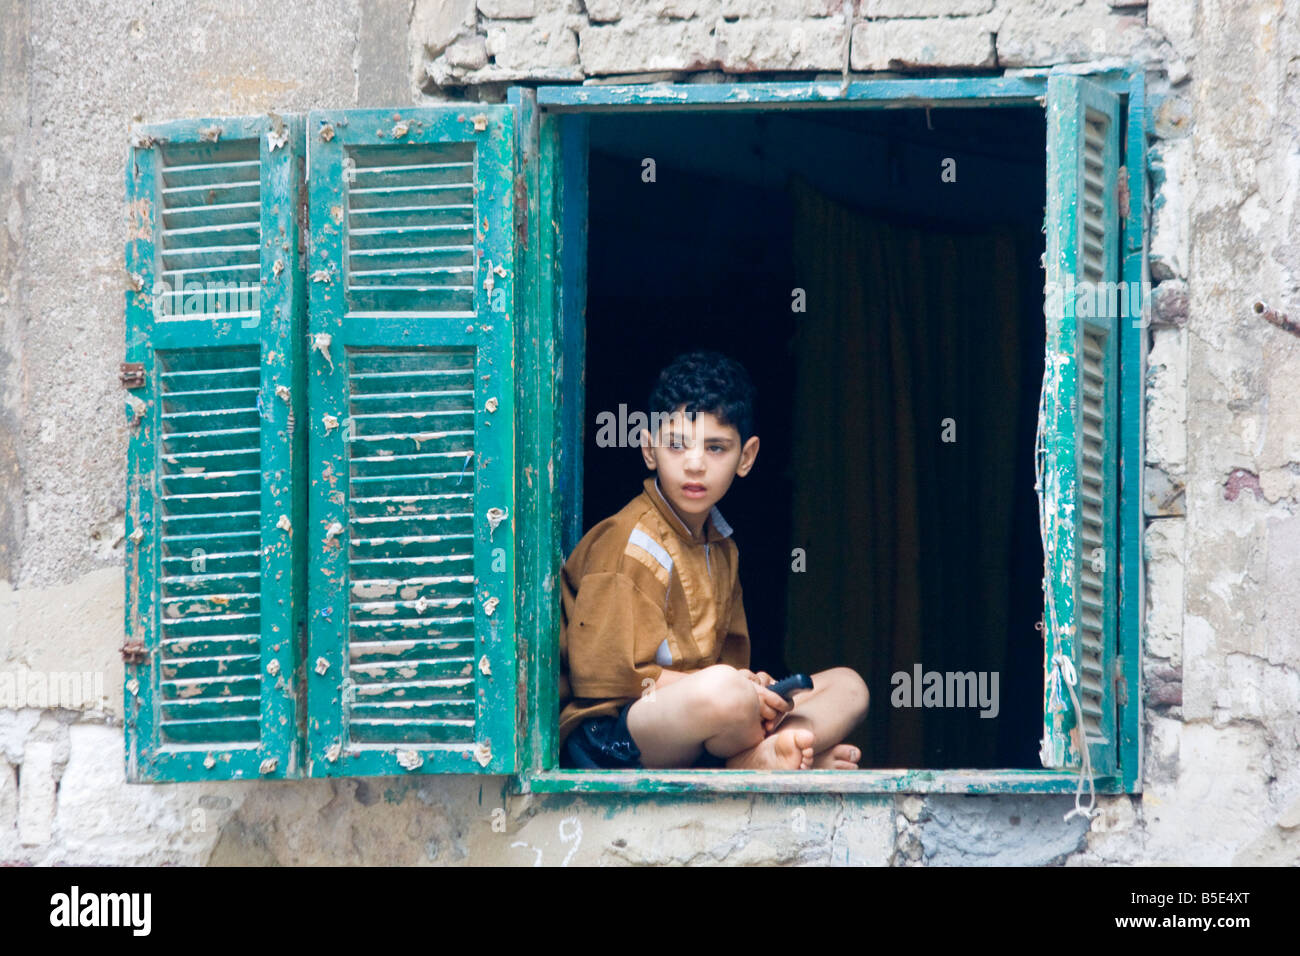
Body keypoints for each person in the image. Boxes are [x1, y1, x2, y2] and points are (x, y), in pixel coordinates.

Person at [558, 350, 870, 770]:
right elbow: (604, 679)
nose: (695, 464)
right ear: (649, 450)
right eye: (676, 445)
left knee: (849, 687)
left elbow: (730, 666)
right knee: (724, 691)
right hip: (614, 736)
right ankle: (755, 761)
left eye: (716, 447)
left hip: (709, 719)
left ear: (746, 457)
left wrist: (755, 686)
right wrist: (733, 688)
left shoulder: (722, 547)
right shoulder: (628, 538)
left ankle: (769, 754)